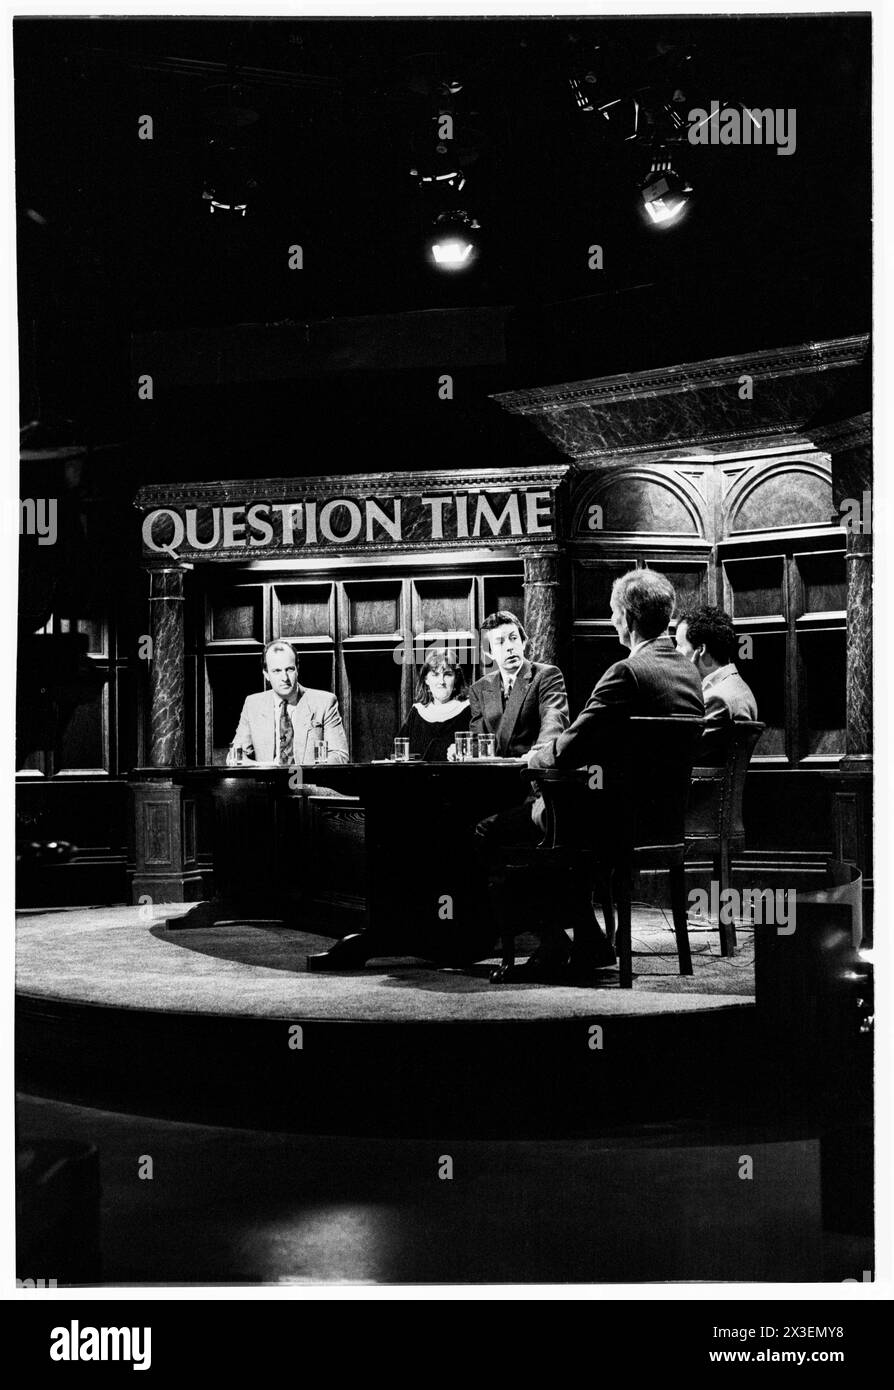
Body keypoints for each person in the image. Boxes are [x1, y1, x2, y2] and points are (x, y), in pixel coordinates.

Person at [306, 614, 571, 973]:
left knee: (471, 835)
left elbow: (554, 727)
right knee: (424, 827)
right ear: (489, 652)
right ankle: (417, 929)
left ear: (524, 641)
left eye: (512, 639)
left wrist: (532, 757)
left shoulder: (545, 675)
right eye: (498, 643)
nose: (508, 648)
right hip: (490, 790)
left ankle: (504, 931)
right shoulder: (482, 688)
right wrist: (459, 754)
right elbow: (478, 741)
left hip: (531, 790)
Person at [486, 568, 705, 983]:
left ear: (628, 617)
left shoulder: (627, 671)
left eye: (613, 613)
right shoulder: (688, 672)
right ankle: (587, 938)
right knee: (555, 828)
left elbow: (571, 746)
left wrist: (534, 758)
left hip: (614, 825)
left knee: (493, 831)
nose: (610, 621)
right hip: (661, 823)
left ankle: (554, 942)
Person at [227, 640, 349, 766]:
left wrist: (303, 772)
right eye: (277, 671)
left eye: (289, 669)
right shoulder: (253, 704)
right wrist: (267, 767)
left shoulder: (324, 702)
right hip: (268, 783)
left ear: (297, 669)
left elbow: (340, 756)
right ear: (266, 674)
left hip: (310, 783)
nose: (284, 678)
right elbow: (234, 758)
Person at [673, 606, 758, 722]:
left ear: (701, 650)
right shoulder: (739, 686)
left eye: (680, 645)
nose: (675, 651)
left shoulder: (715, 698)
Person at [397, 649, 471, 761]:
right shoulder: (417, 712)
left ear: (456, 679)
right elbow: (398, 754)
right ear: (426, 679)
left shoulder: (468, 710)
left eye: (448, 674)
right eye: (435, 674)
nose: (441, 681)